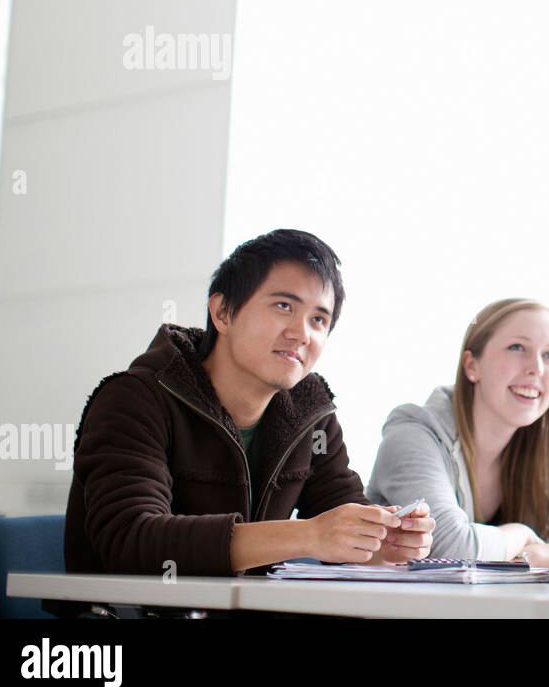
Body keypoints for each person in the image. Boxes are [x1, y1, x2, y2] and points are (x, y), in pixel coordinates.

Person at [64, 229, 435, 576]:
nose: (301, 334)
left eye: (319, 319)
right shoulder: (134, 399)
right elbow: (130, 540)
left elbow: (339, 517)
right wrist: (308, 535)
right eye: (284, 306)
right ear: (223, 312)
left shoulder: (311, 412)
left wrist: (385, 543)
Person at [367, 298, 549, 565]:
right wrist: (519, 536)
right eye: (517, 347)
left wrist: (537, 555)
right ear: (472, 366)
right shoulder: (414, 434)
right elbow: (450, 549)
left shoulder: (542, 460)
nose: (537, 369)